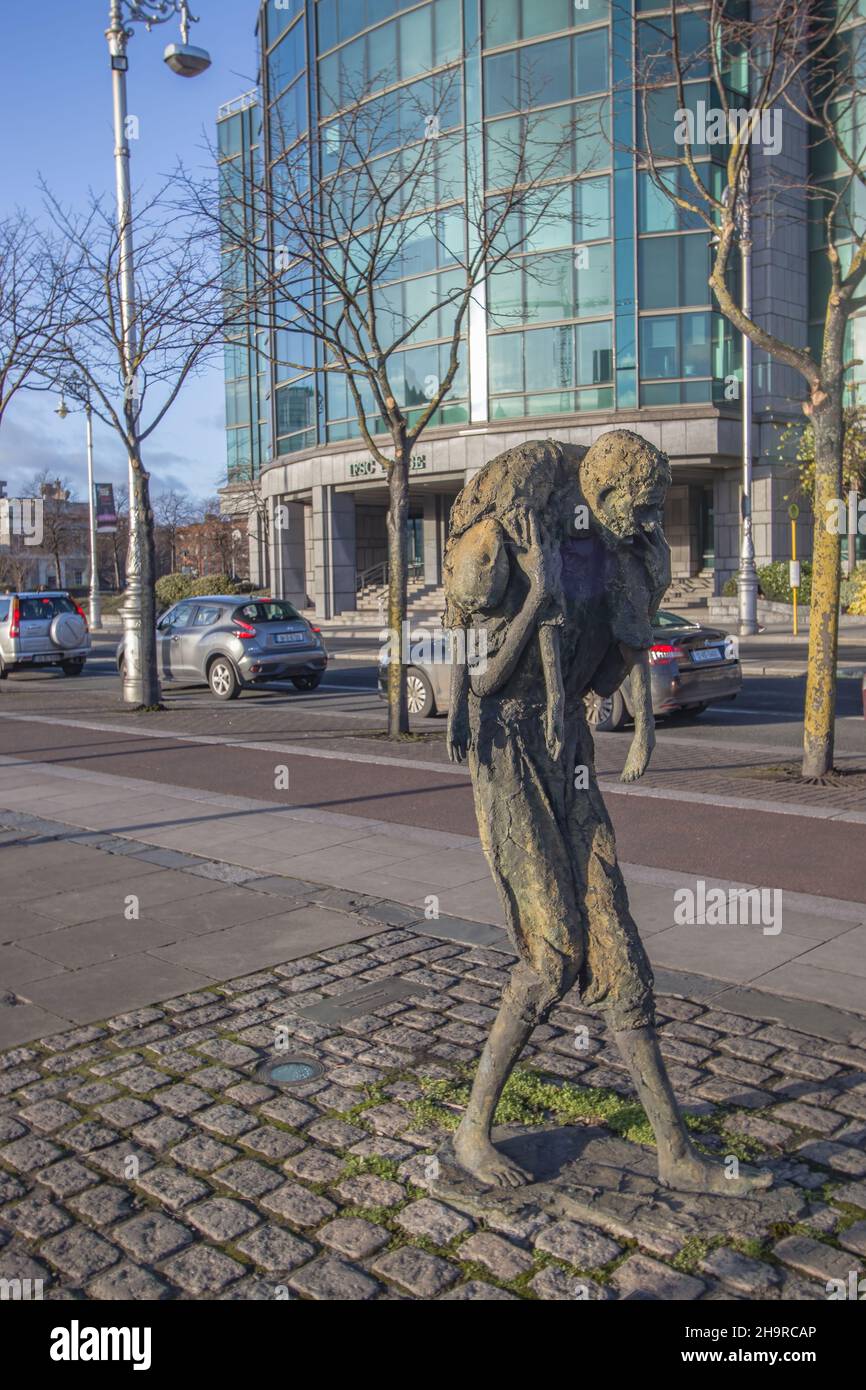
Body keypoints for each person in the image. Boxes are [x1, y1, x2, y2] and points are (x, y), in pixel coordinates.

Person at [443, 432, 772, 1195]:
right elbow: (484, 675)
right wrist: (544, 592)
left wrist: (649, 589)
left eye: (655, 509)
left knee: (621, 957)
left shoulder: (612, 555)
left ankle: (674, 1152)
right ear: (603, 491)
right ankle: (471, 1131)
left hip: (569, 752)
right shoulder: (522, 535)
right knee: (554, 953)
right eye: (639, 506)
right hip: (509, 752)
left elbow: (600, 675)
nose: (647, 520)